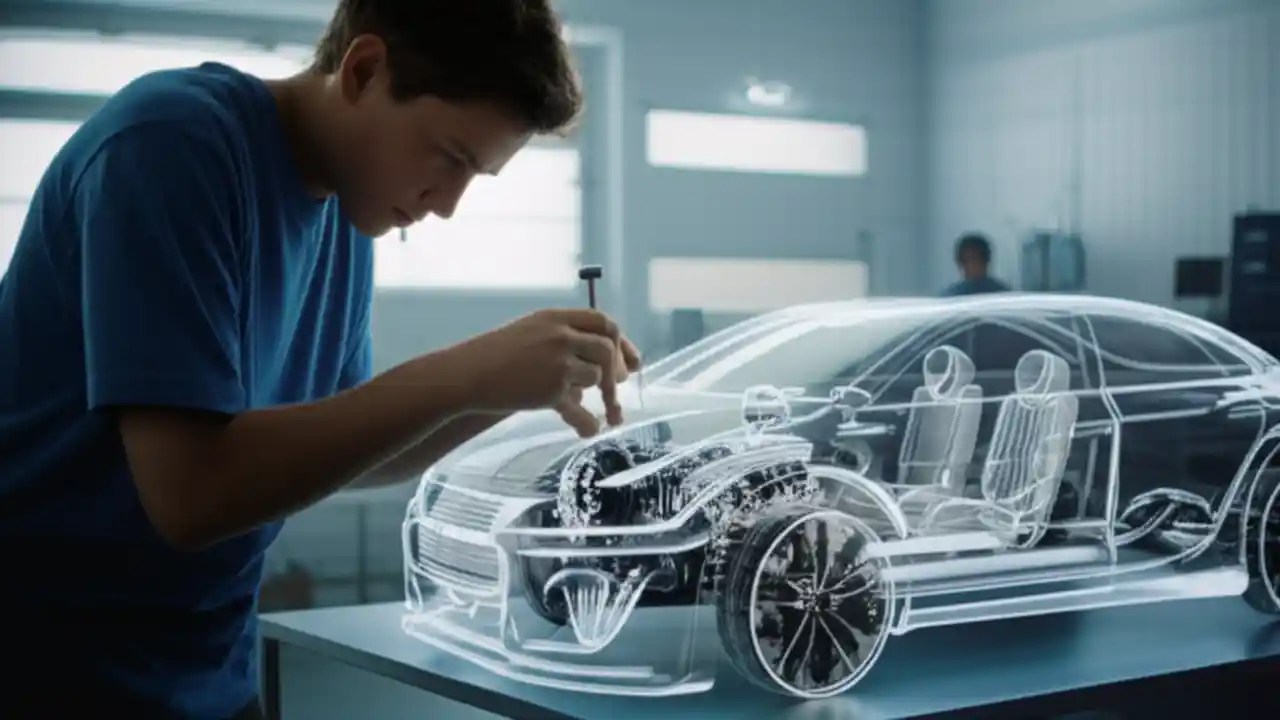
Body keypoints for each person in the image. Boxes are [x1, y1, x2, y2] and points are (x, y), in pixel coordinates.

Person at [0, 1, 640, 717]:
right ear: (364, 70)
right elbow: (190, 496)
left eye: (475, 177)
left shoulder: (345, 211)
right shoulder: (171, 144)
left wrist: (505, 390)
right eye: (450, 158)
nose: (448, 206)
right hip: (47, 671)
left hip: (207, 674)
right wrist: (469, 371)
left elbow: (354, 452)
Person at [940, 232, 1011, 296]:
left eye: (974, 259)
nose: (969, 266)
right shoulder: (952, 295)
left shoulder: (1003, 295)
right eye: (964, 261)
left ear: (986, 261)